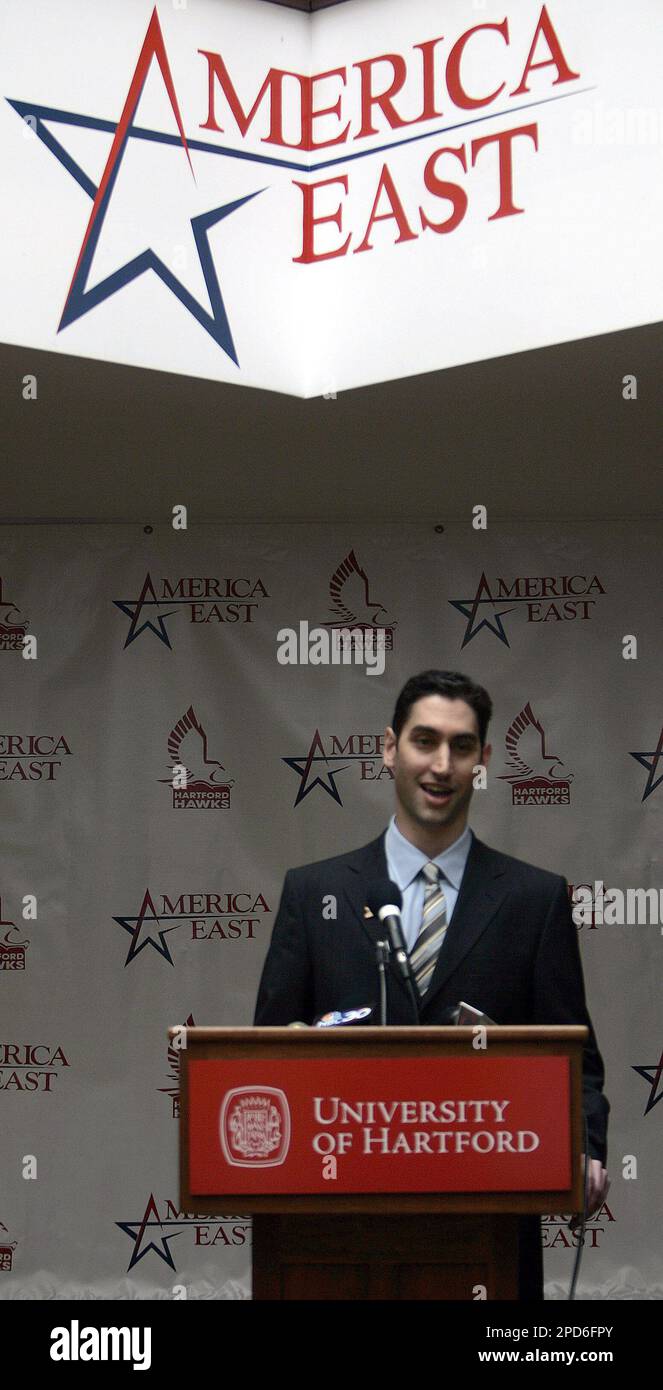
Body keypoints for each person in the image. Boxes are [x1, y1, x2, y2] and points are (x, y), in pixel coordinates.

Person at [254, 669, 610, 1299]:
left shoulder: (535, 899)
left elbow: (575, 1059)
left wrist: (584, 1149)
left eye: (461, 746)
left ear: (484, 760)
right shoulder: (314, 894)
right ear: (389, 749)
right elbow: (268, 1053)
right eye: (425, 741)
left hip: (487, 1227)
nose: (442, 765)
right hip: (338, 1229)